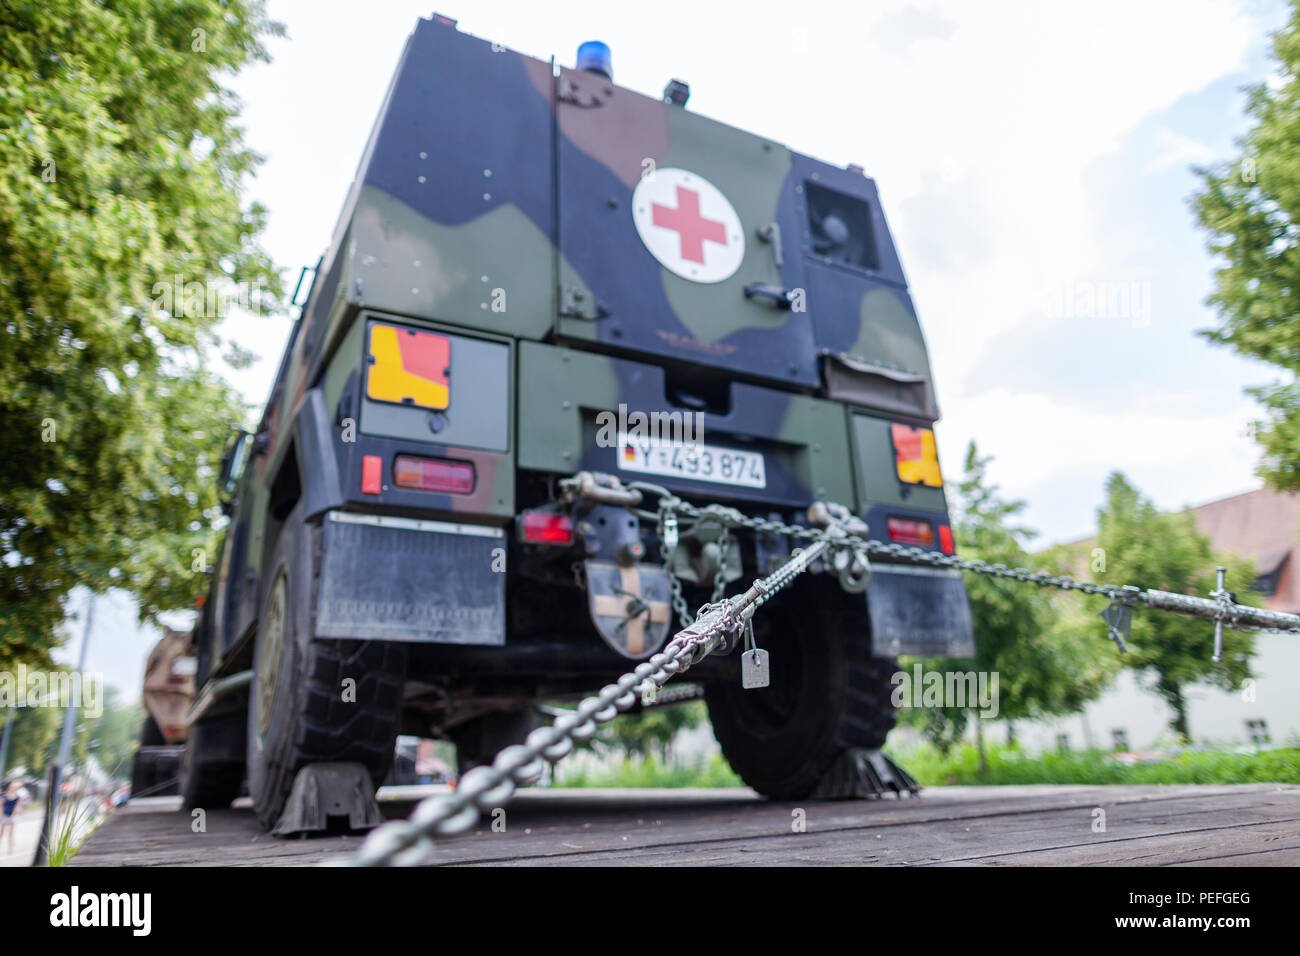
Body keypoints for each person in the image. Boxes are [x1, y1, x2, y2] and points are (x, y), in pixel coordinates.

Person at [1, 779, 30, 854]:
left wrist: (11, 818)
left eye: (14, 787)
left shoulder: (18, 797)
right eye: (12, 787)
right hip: (5, 815)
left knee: (10, 833)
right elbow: (1, 806)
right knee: (1, 832)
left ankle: (10, 849)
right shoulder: (5, 796)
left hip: (12, 816)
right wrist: (1, 815)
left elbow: (16, 808)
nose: (12, 788)